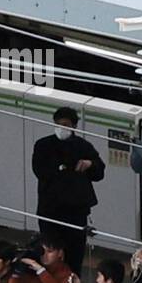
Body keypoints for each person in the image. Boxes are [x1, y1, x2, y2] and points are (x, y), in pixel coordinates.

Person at [31, 106, 104, 273]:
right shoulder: (43, 145)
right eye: (58, 124)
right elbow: (40, 171)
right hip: (50, 211)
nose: (62, 128)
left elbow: (99, 171)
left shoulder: (83, 146)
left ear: (74, 126)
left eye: (66, 124)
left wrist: (90, 164)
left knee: (74, 256)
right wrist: (63, 170)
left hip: (76, 212)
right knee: (50, 253)